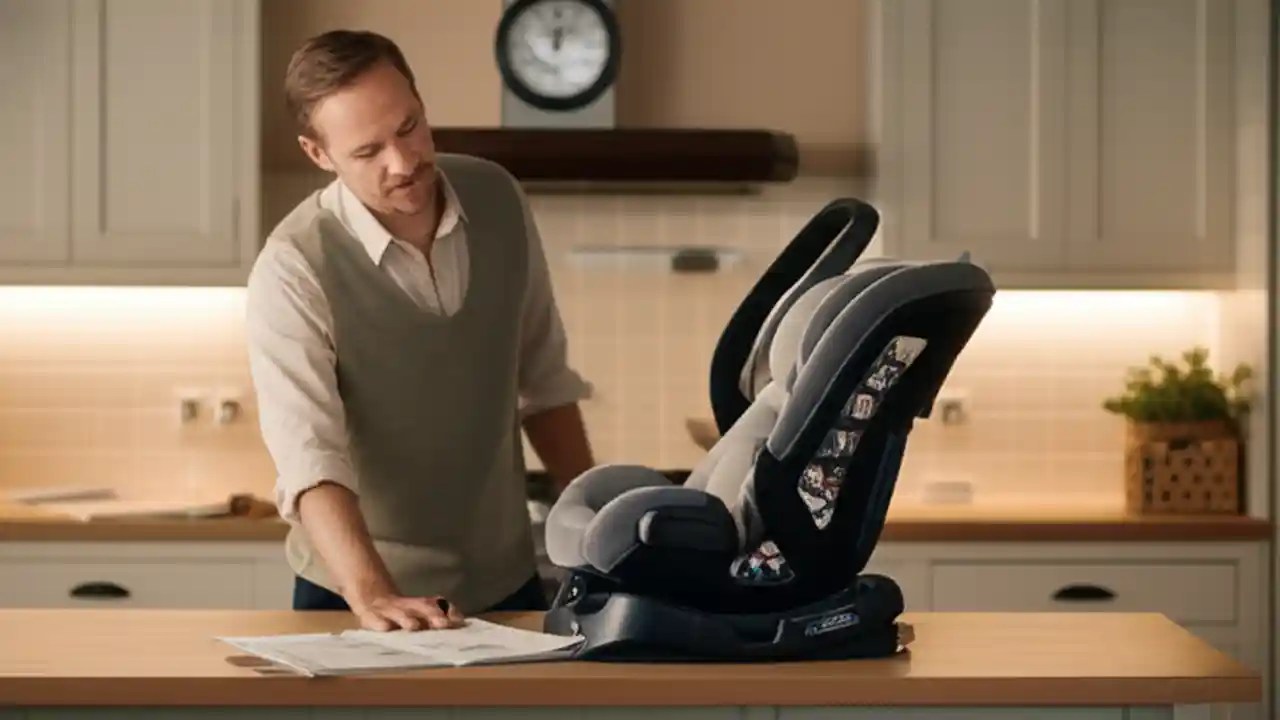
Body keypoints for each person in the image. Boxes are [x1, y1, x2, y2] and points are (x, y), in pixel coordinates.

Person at [245, 29, 596, 633]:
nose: (403, 163)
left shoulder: (498, 199)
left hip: (505, 580)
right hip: (355, 591)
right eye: (367, 151)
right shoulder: (293, 266)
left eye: (409, 127)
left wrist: (600, 529)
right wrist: (372, 595)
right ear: (318, 154)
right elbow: (310, 457)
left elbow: (543, 381)